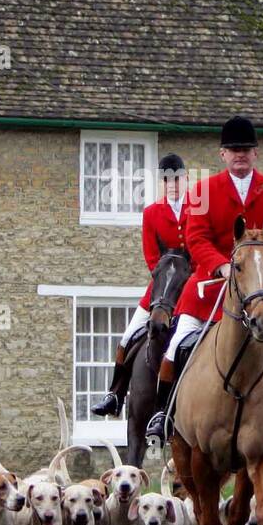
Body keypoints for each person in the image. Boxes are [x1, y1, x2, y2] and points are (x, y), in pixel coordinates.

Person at [144, 116, 263, 446]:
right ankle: (162, 415)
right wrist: (221, 267)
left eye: (245, 149)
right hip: (210, 288)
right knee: (177, 345)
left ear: (256, 153)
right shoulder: (203, 190)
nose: (239, 155)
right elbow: (196, 237)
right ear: (222, 154)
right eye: (233, 150)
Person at [90, 154, 190, 418]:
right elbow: (151, 257)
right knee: (128, 337)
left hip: (191, 287)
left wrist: (188, 283)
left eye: (177, 179)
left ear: (186, 179)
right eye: (167, 180)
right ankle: (115, 394)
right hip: (160, 290)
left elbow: (202, 249)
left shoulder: (199, 210)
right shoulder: (152, 213)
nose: (172, 185)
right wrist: (164, 288)